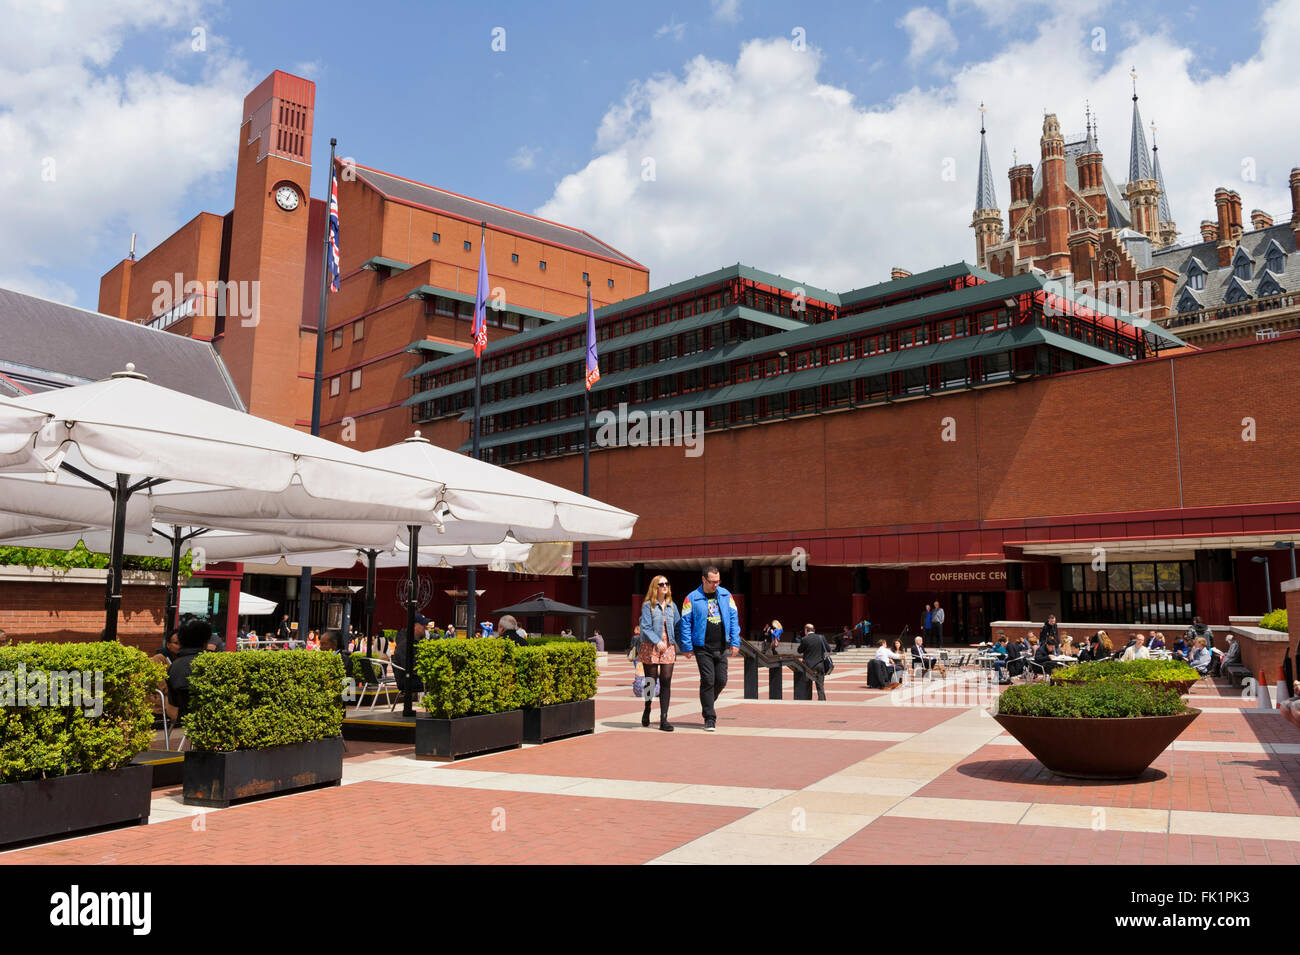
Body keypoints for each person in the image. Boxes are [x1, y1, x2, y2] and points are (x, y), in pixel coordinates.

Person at [680, 566, 740, 732]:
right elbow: (685, 623)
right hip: (702, 647)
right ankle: (709, 717)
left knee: (721, 680)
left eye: (718, 581)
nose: (716, 584)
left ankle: (707, 703)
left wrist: (735, 641)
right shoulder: (691, 598)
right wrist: (686, 646)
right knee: (708, 680)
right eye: (712, 581)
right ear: (704, 580)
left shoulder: (726, 595)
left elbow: (734, 618)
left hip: (721, 646)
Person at [638, 574, 681, 732]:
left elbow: (678, 626)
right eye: (661, 584)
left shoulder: (672, 605)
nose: (665, 586)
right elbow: (646, 627)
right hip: (651, 645)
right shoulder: (648, 605)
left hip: (668, 646)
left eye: (667, 584)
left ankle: (664, 718)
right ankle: (647, 707)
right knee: (651, 680)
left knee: (666, 679)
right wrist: (657, 641)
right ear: (655, 587)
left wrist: (685, 646)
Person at [166, 617, 212, 713]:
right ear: (205, 642)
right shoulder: (212, 663)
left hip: (182, 718)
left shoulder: (174, 666)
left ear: (181, 641)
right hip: (210, 717)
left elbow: (173, 702)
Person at [796, 623, 830, 700]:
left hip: (808, 666)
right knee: (820, 686)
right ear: (814, 630)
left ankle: (808, 702)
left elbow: (799, 651)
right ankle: (822, 702)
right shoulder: (821, 637)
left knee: (807, 686)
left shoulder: (805, 639)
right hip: (820, 665)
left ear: (806, 630)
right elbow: (828, 649)